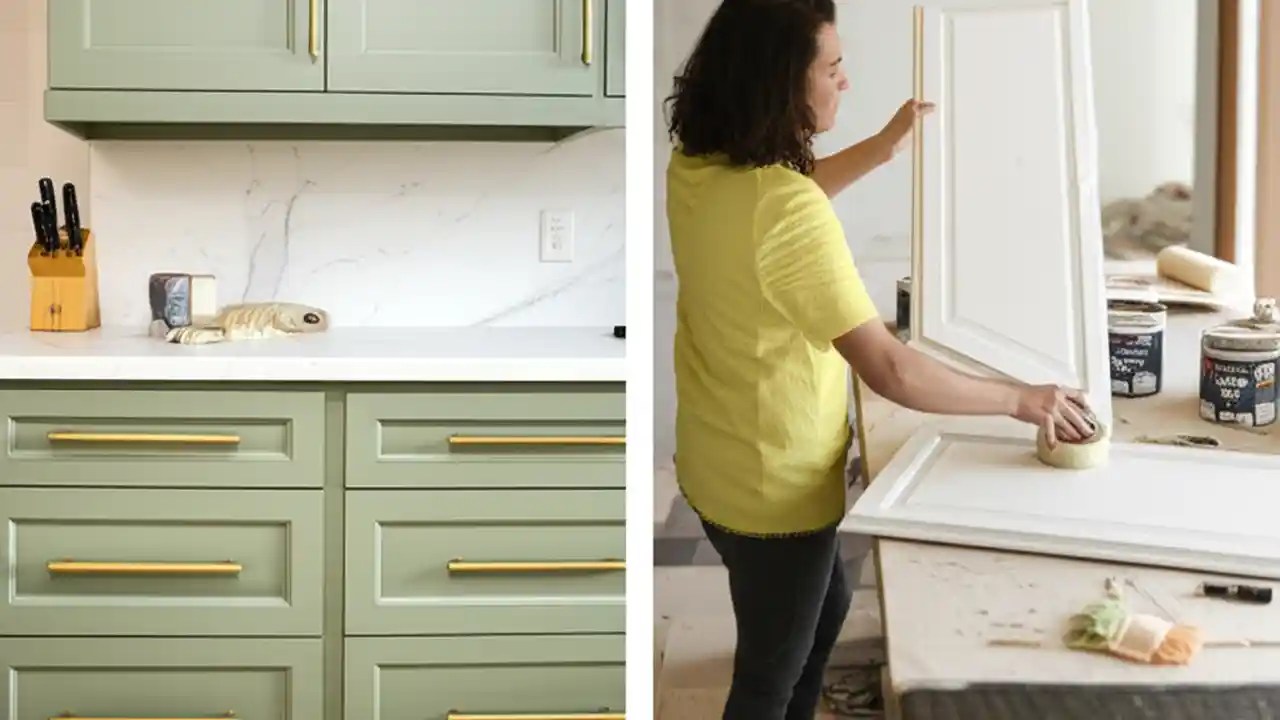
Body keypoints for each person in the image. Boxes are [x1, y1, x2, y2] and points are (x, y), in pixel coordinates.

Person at [662, 0, 1096, 718]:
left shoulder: (700, 167)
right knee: (768, 678)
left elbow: (778, 206)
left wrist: (884, 147)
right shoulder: (785, 211)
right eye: (833, 68)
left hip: (716, 460)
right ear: (779, 83)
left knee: (822, 613)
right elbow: (889, 370)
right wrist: (1024, 399)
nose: (846, 82)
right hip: (774, 488)